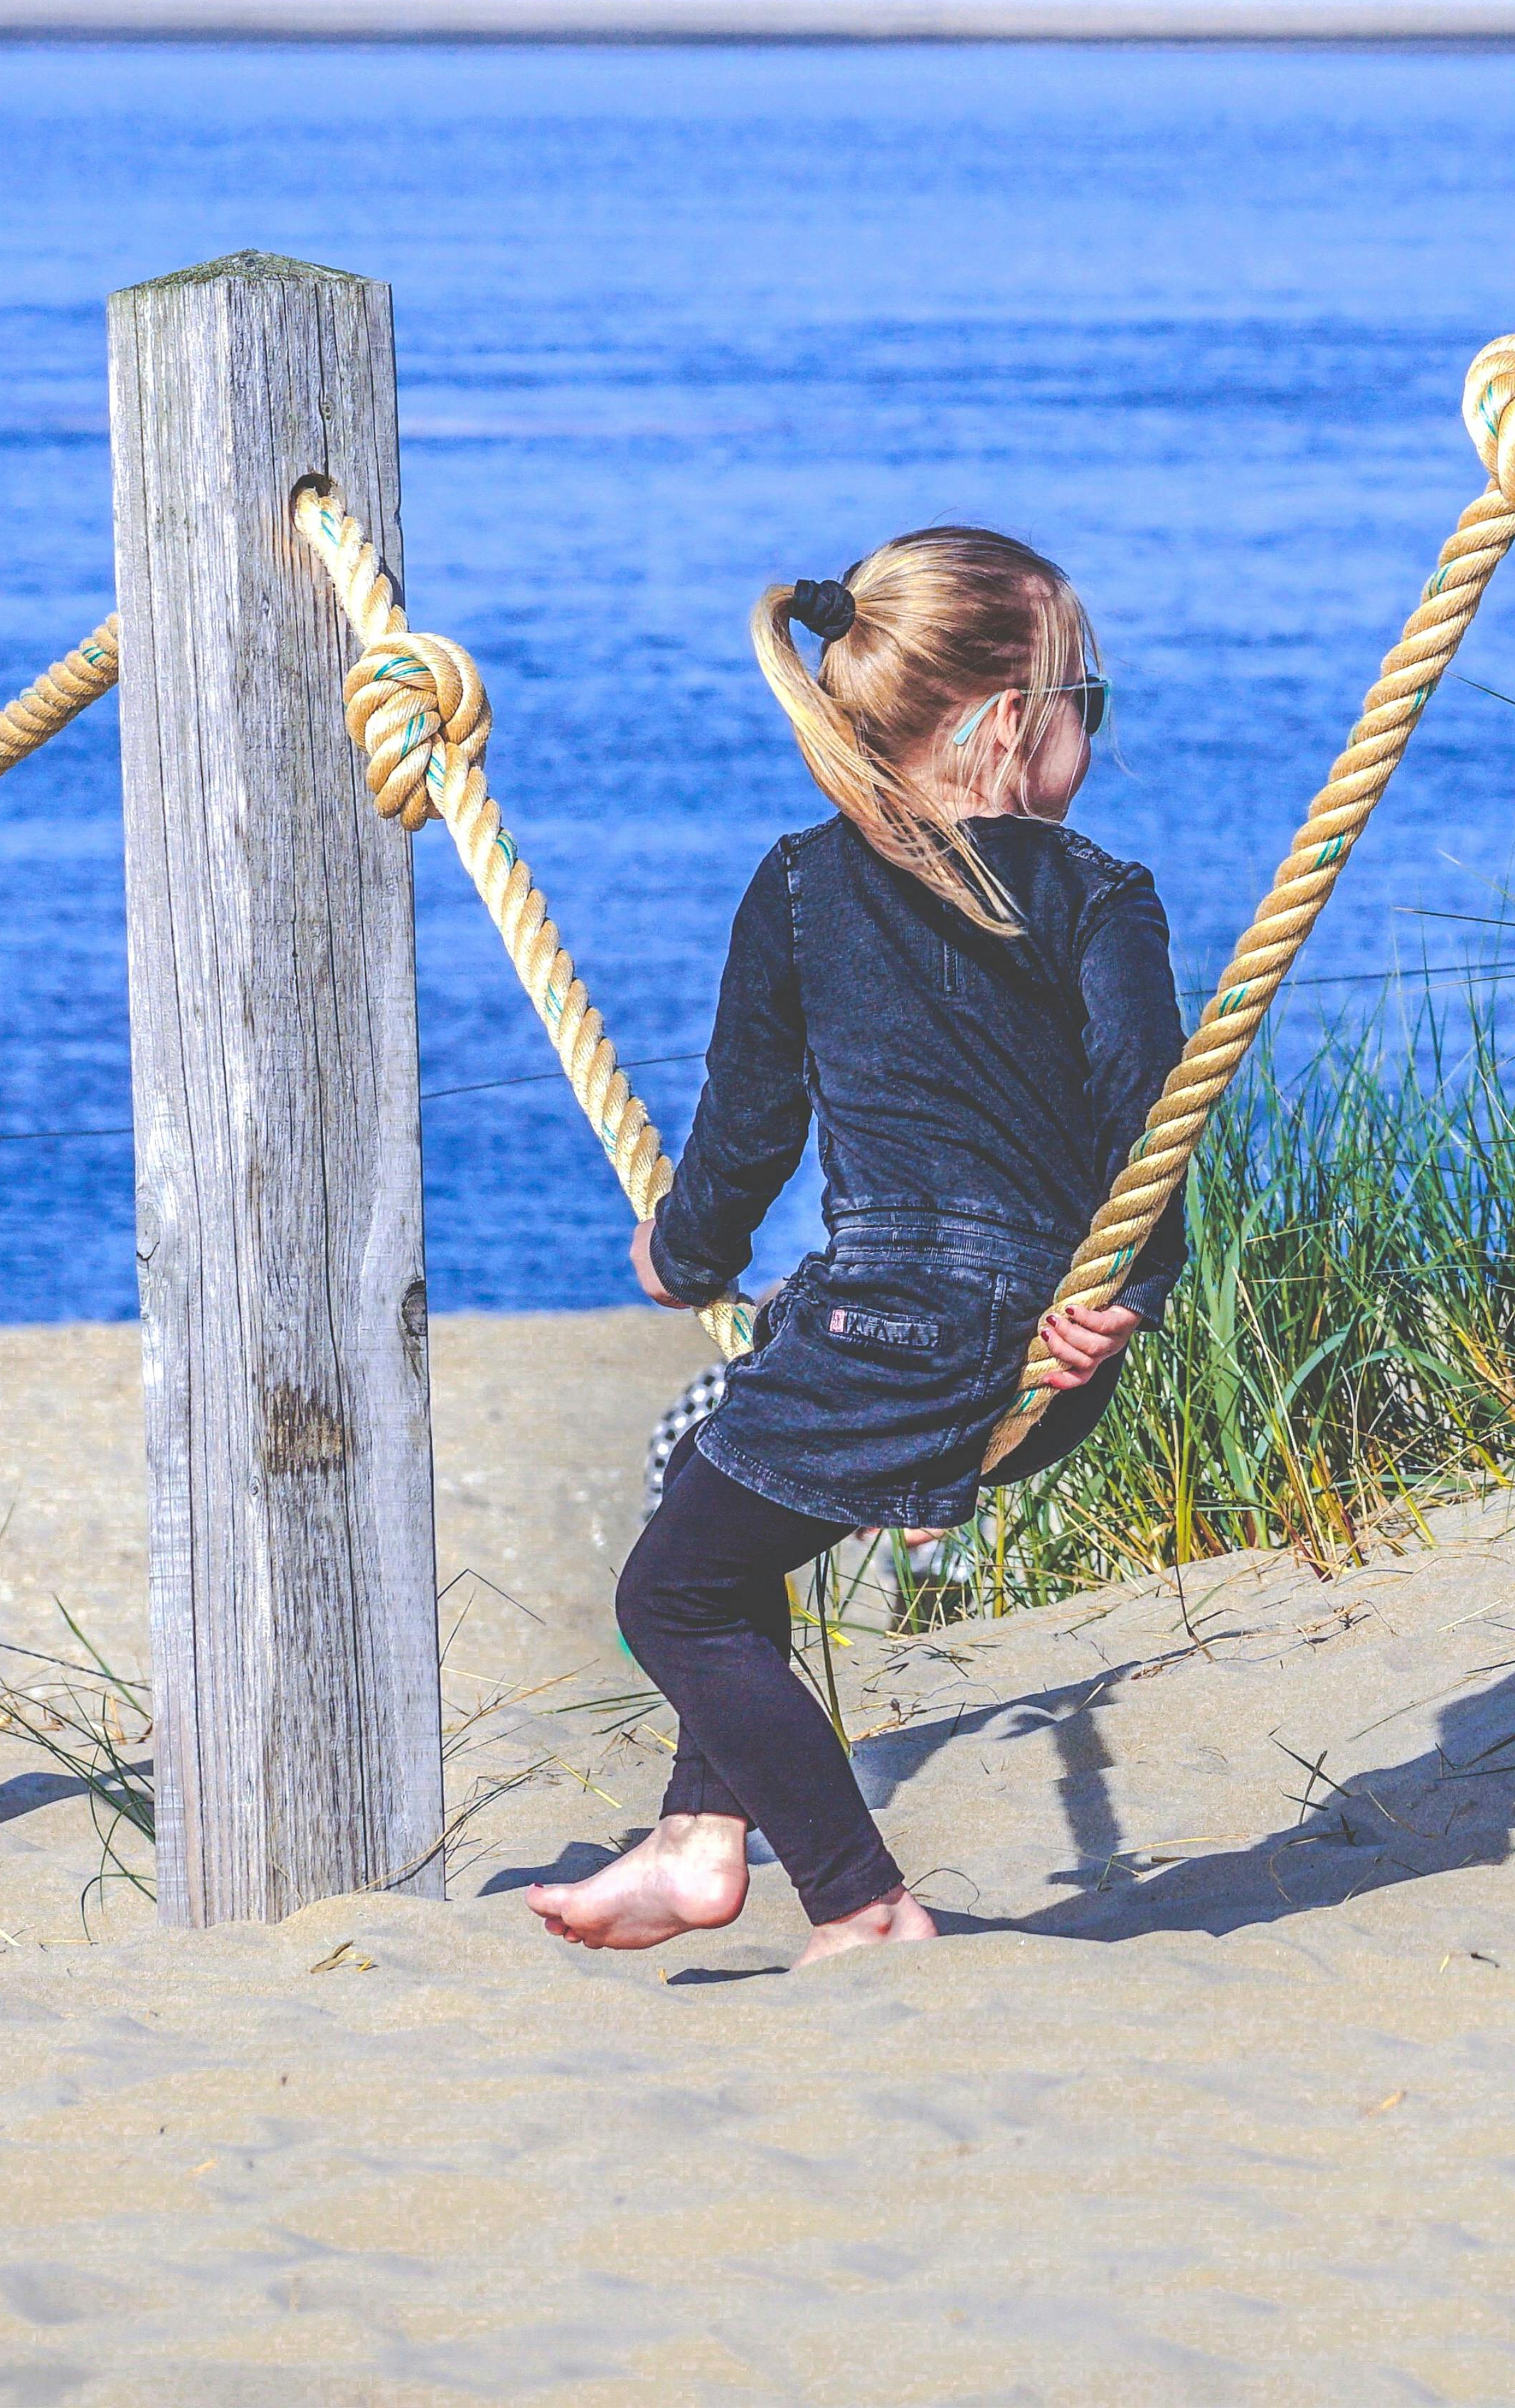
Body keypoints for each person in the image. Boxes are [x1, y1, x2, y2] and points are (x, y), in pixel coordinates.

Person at [526, 527, 1184, 1966]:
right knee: (710, 1465)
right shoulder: (1103, 895)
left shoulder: (802, 887)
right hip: (1041, 1349)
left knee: (670, 1592)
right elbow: (1154, 1131)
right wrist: (1117, 1294)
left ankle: (860, 1897)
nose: (1097, 729)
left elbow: (746, 1133)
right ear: (1014, 719)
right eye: (1094, 700)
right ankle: (703, 1832)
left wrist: (685, 1250)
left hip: (895, 1323)